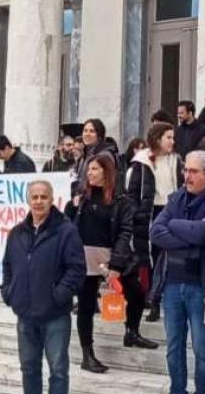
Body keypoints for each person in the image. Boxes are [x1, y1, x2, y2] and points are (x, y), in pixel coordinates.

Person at [1, 180, 86, 394]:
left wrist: (58, 295)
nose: (39, 201)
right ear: (28, 200)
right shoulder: (17, 233)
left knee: (58, 370)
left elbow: (77, 270)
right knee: (29, 368)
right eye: (34, 197)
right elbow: (8, 267)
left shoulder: (66, 231)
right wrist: (9, 293)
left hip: (54, 315)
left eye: (44, 197)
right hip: (25, 313)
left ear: (52, 200)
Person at [148, 151, 205, 394]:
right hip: (172, 284)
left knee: (202, 348)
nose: (187, 176)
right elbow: (156, 231)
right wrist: (189, 237)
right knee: (174, 347)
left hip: (200, 286)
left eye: (193, 172)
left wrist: (176, 228)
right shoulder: (176, 198)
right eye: (186, 170)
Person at [67, 154, 156, 372]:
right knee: (86, 306)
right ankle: (87, 354)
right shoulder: (80, 198)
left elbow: (125, 232)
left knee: (136, 293)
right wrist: (72, 207)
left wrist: (116, 265)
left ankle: (131, 332)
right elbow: (67, 226)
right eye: (89, 170)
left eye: (95, 169)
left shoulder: (121, 201)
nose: (90, 173)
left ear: (107, 172)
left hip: (111, 257)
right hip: (85, 257)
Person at [127, 122, 184, 323]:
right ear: (158, 138)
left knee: (167, 258)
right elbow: (132, 193)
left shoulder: (175, 161)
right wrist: (137, 214)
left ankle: (161, 299)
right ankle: (153, 301)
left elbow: (181, 185)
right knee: (151, 259)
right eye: (168, 137)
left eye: (173, 137)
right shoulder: (142, 162)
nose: (172, 141)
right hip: (151, 213)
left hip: (171, 212)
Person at [75, 118, 118, 191]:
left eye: (92, 131)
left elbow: (107, 179)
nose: (87, 134)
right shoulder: (84, 155)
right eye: (85, 131)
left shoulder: (105, 155)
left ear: (99, 135)